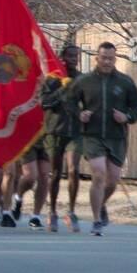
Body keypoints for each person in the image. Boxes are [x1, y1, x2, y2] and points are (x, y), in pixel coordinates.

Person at [61, 41, 137, 236]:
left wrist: (127, 117)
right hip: (92, 135)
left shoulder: (125, 82)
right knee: (98, 174)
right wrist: (79, 114)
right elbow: (69, 102)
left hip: (117, 136)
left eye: (111, 58)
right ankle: (96, 221)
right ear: (96, 58)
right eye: (103, 58)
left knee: (113, 180)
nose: (107, 62)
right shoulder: (85, 81)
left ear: (115, 59)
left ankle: (101, 205)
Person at [41, 43, 84, 232]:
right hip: (54, 130)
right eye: (71, 56)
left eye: (77, 56)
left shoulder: (83, 79)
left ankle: (72, 211)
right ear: (63, 57)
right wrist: (61, 89)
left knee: (74, 170)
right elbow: (44, 103)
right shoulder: (51, 79)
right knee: (56, 173)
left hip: (75, 131)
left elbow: (88, 102)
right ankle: (52, 212)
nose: (74, 59)